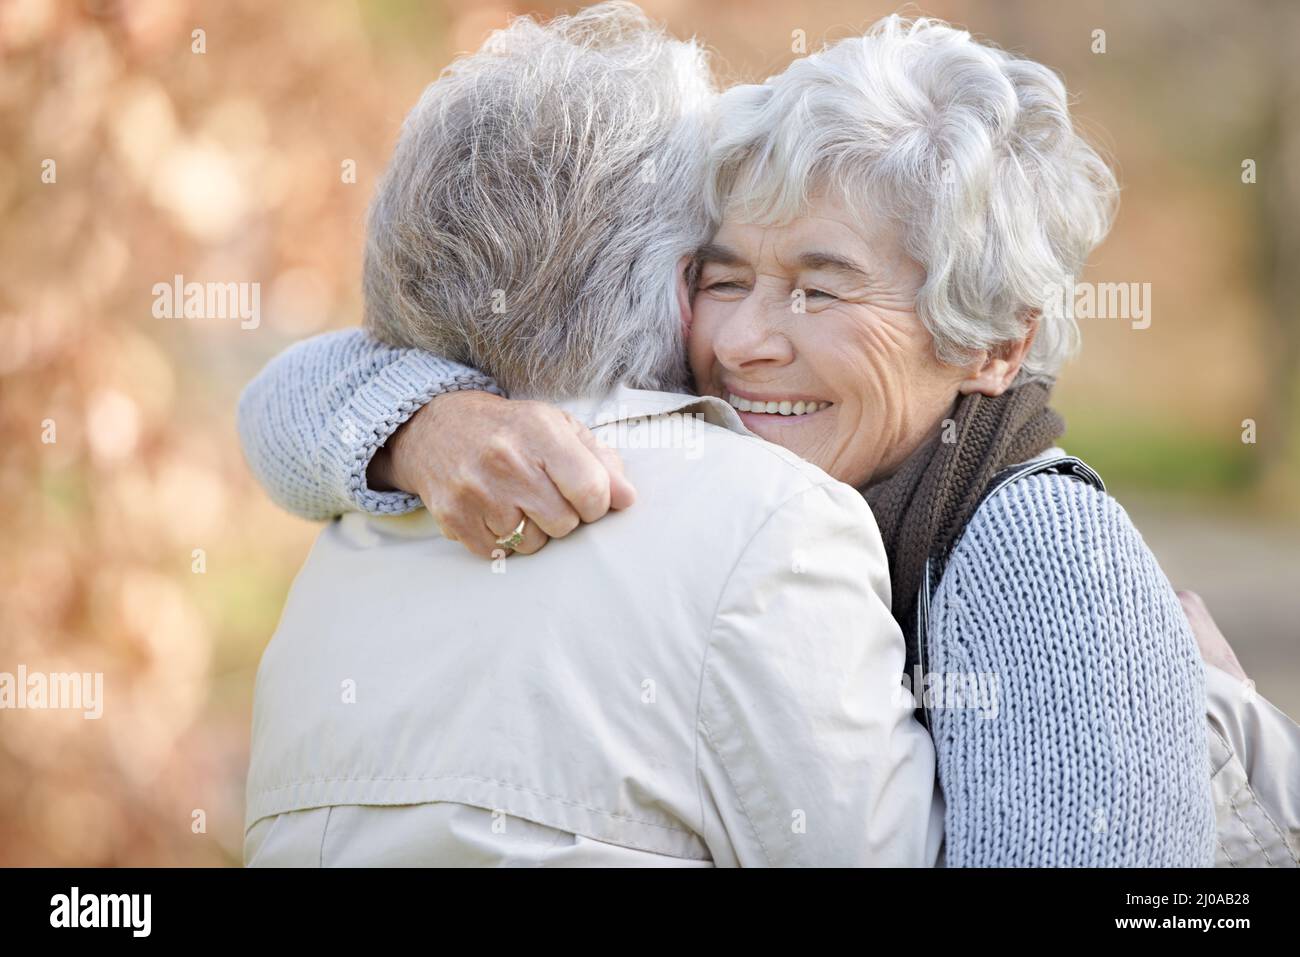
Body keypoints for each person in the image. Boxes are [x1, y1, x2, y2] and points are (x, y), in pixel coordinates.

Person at [242, 14, 1299, 866]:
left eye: (820, 289)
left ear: (993, 345)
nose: (745, 340)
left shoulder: (1040, 557)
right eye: (723, 277)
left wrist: (1214, 741)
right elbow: (289, 391)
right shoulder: (675, 480)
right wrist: (425, 423)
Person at [243, 3, 943, 868]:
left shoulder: (348, 545)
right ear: (677, 283)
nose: (743, 336)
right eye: (725, 273)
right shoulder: (771, 526)